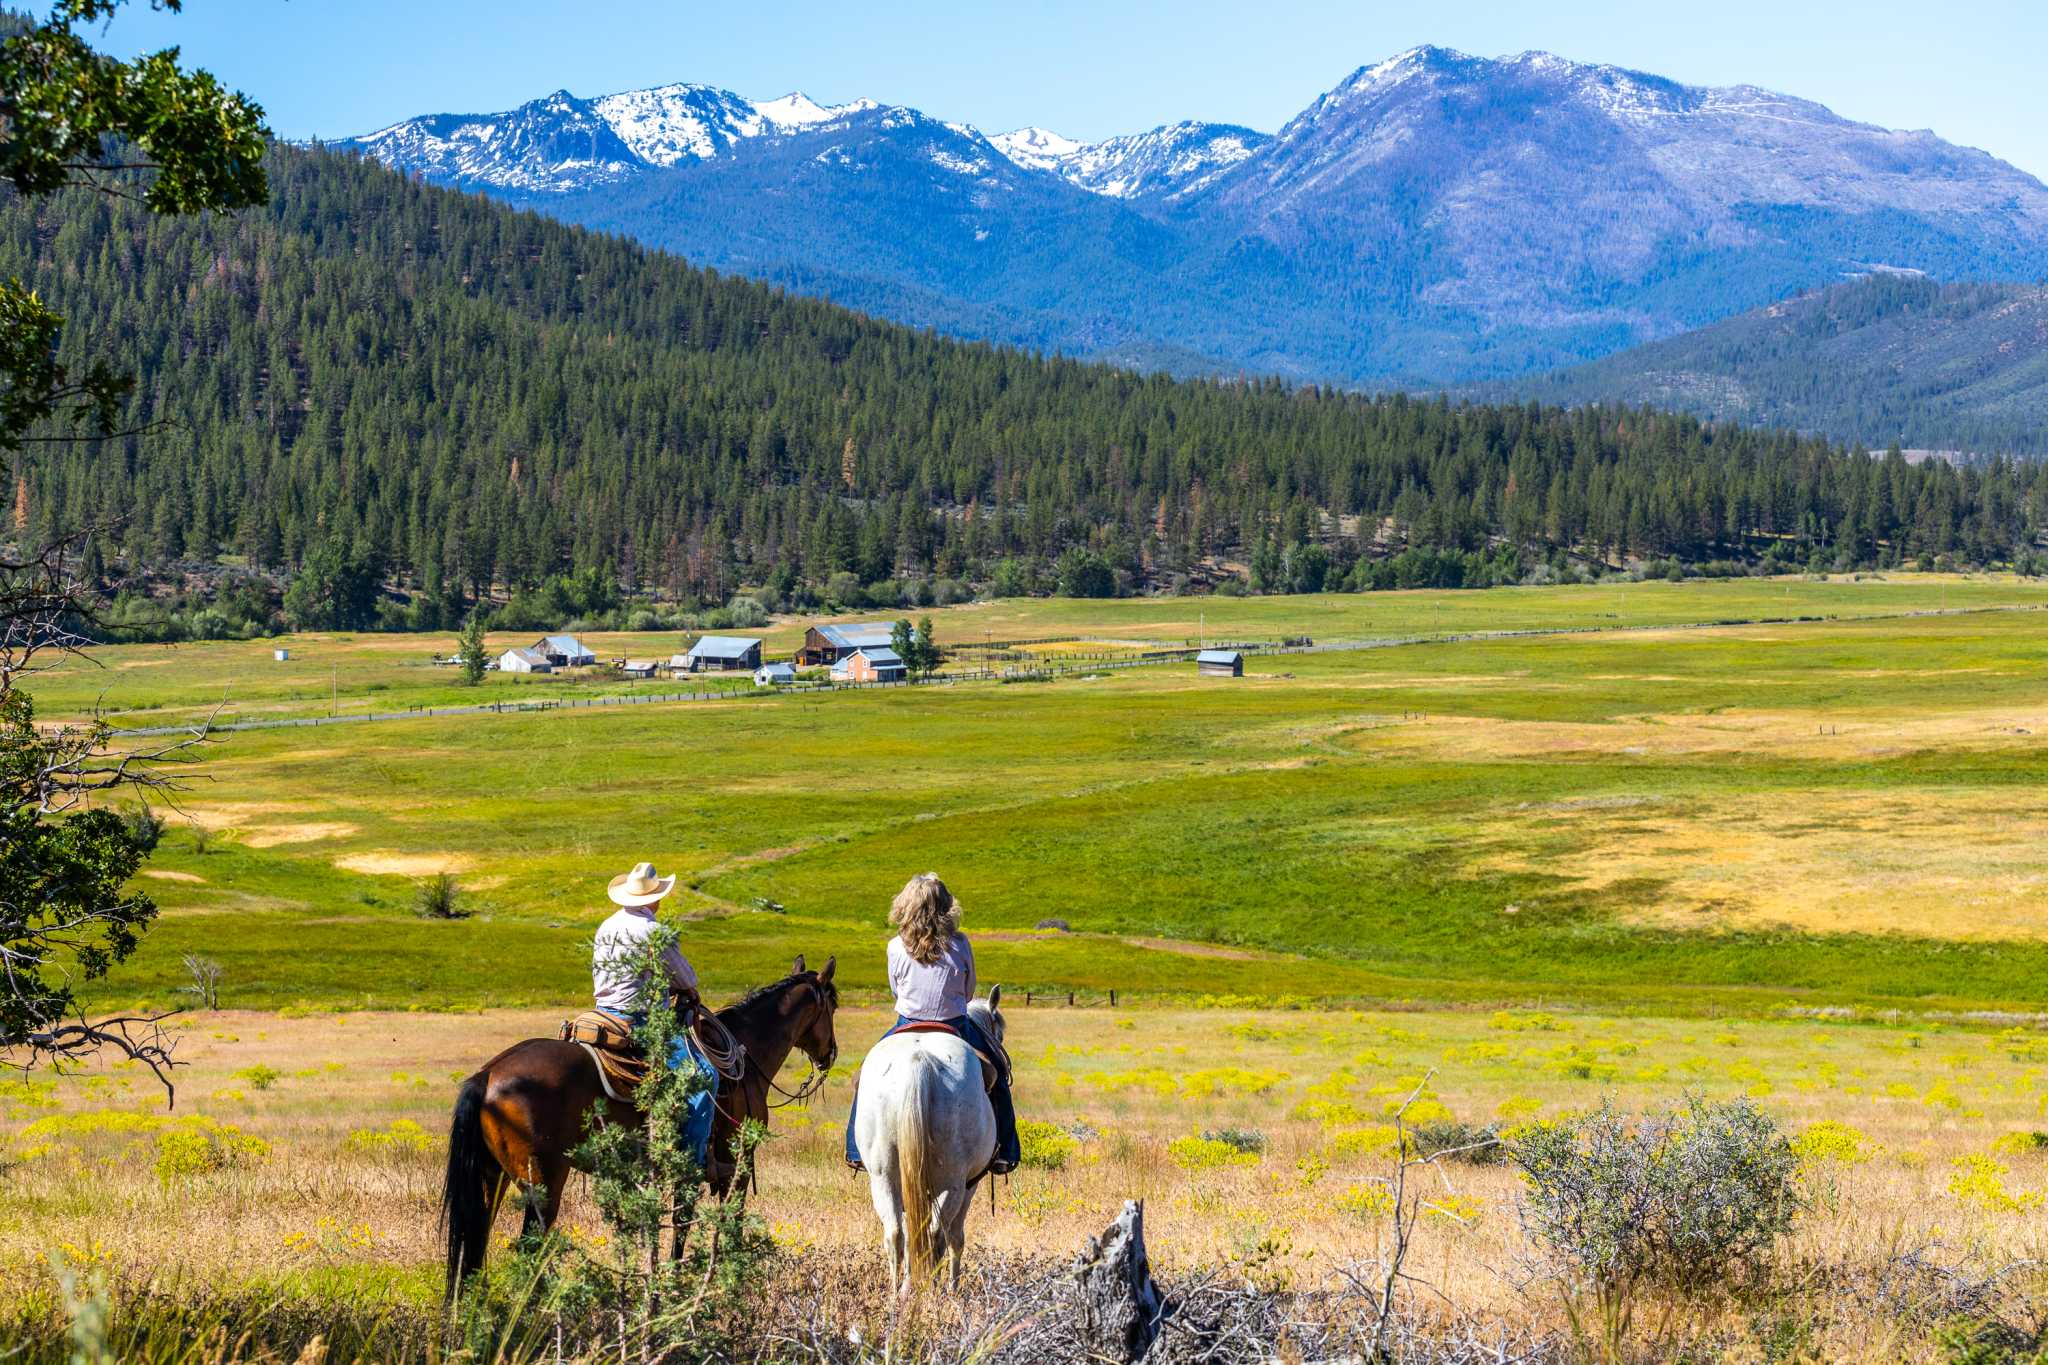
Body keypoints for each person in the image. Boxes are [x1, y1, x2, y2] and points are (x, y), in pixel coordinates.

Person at [844, 872, 1019, 1175]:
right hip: (955, 1026)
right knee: (999, 1073)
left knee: (865, 1074)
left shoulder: (894, 946)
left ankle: (855, 1149)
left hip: (905, 1024)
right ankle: (1006, 1149)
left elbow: (896, 990)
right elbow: (968, 992)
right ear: (946, 908)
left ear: (905, 906)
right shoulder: (961, 943)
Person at [593, 860, 717, 1171]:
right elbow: (686, 980)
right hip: (641, 1022)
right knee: (703, 1077)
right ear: (654, 899)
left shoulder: (606, 925)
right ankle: (689, 1163)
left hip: (603, 1016)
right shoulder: (653, 931)